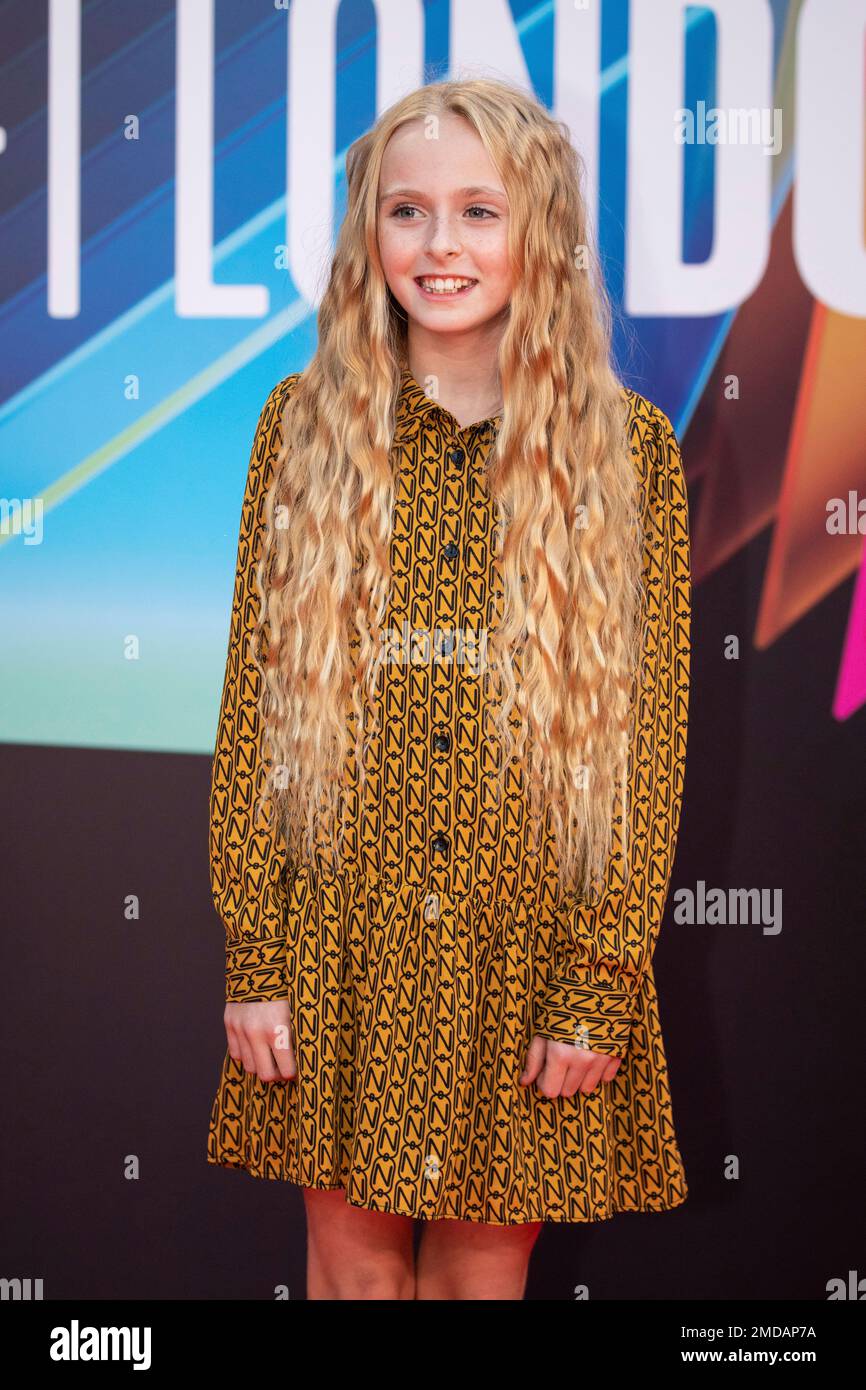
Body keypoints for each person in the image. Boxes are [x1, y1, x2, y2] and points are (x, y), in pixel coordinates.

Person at [206, 76, 691, 1301]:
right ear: (367, 236)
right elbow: (250, 716)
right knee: (353, 1271)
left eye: (479, 211)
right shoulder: (300, 426)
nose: (440, 246)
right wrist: (256, 953)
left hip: (525, 944)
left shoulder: (628, 454)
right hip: (340, 936)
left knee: (484, 1277)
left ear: (540, 233)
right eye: (407, 212)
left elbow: (648, 746)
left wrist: (595, 980)